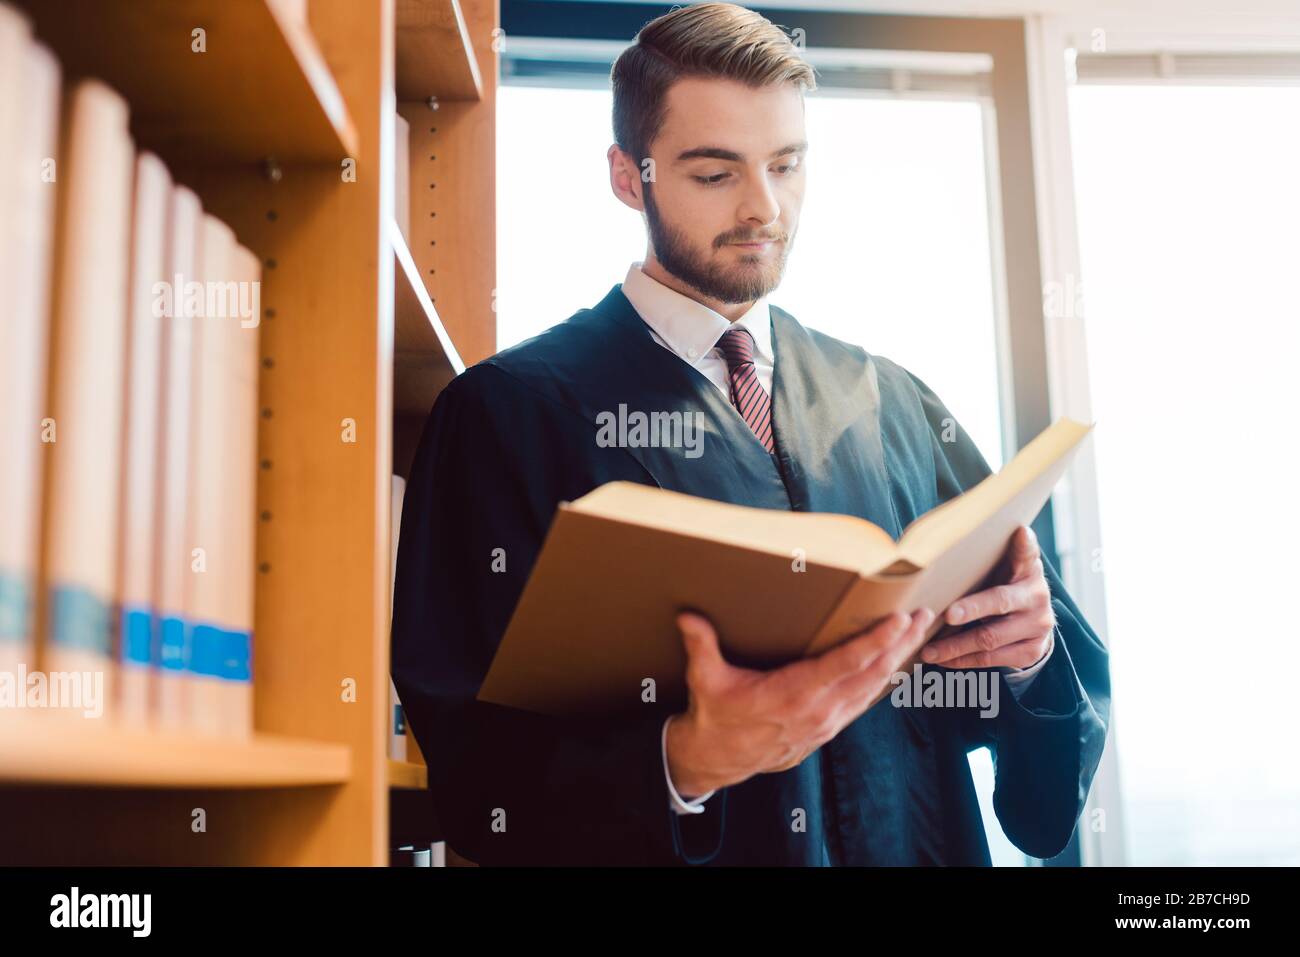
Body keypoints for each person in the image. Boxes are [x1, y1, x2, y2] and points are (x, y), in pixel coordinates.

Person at [391, 2, 1109, 866]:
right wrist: (683, 764)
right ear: (630, 176)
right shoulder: (507, 417)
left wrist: (1028, 661)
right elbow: (475, 777)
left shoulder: (893, 404)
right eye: (713, 173)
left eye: (786, 163)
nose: (763, 207)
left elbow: (1033, 766)